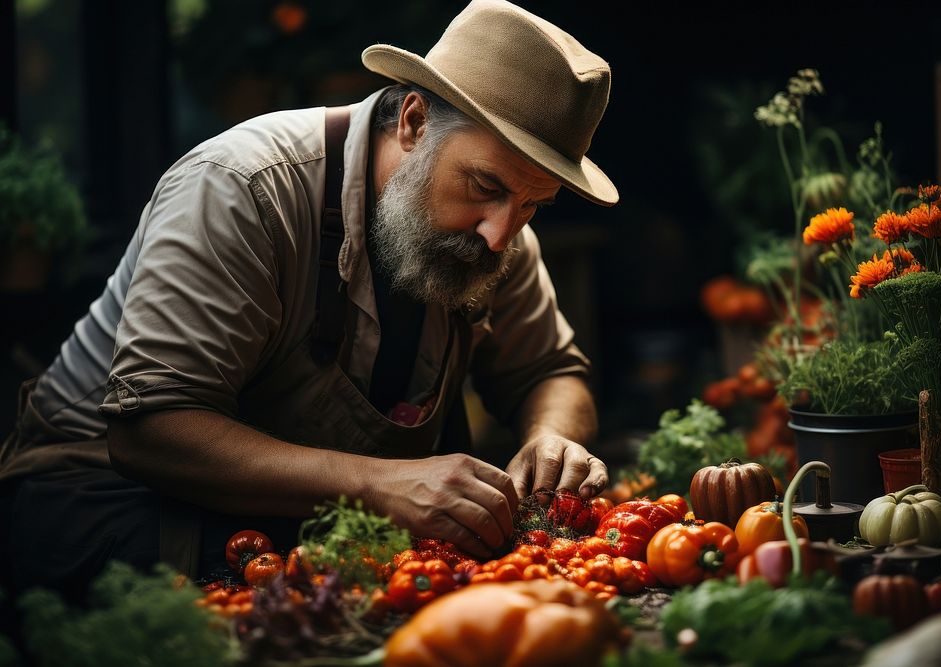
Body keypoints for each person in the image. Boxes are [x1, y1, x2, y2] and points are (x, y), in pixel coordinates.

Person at [0, 0, 618, 599]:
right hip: (101, 498)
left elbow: (550, 371)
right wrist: (381, 485)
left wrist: (551, 437)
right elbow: (151, 431)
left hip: (303, 516)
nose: (501, 233)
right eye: (484, 186)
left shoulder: (496, 228)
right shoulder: (243, 187)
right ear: (413, 122)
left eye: (534, 205)